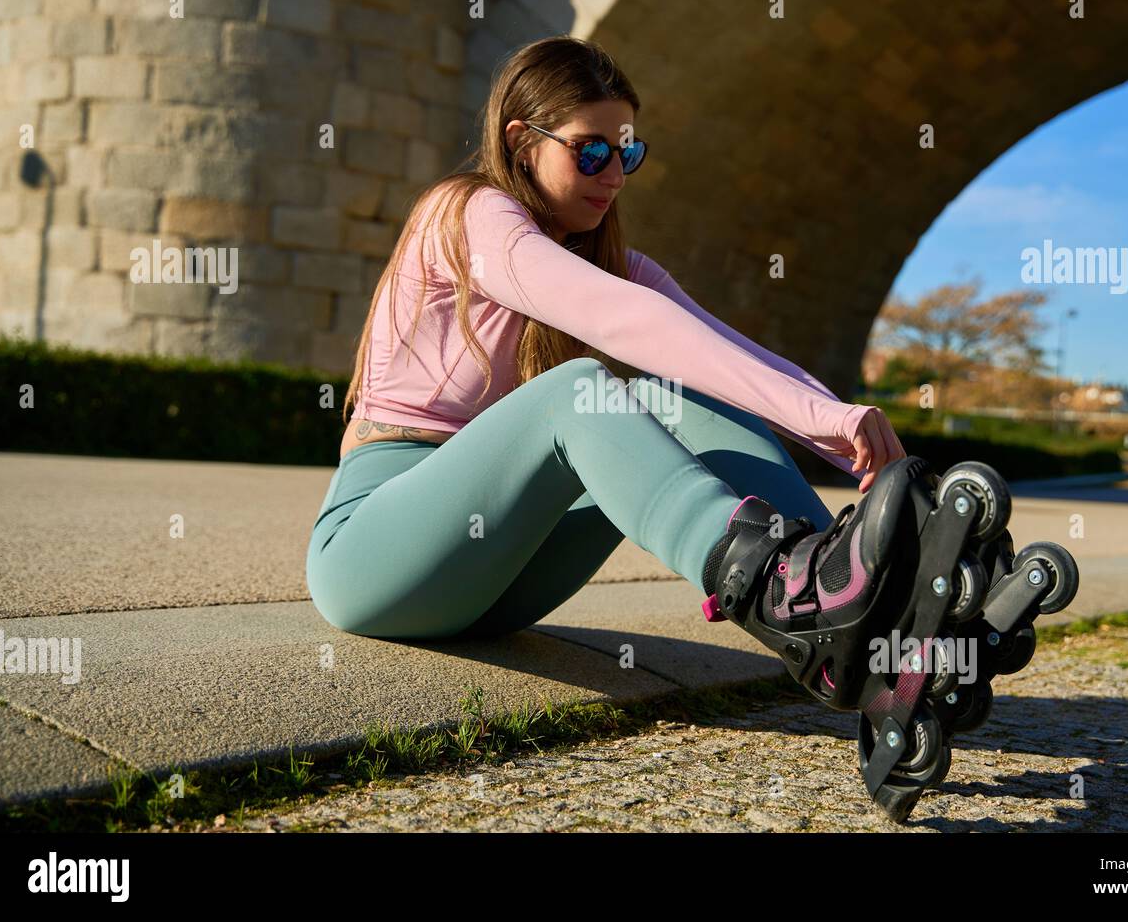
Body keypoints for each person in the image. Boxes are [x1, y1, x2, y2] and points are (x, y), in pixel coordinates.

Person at [305, 36, 905, 641]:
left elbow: (733, 355)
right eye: (591, 152)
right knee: (579, 391)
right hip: (375, 563)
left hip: (501, 577)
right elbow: (622, 318)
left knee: (686, 396)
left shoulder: (616, 265)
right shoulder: (464, 211)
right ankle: (776, 589)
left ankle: (866, 603)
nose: (615, 175)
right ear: (520, 141)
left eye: (628, 153)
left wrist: (855, 437)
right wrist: (828, 421)